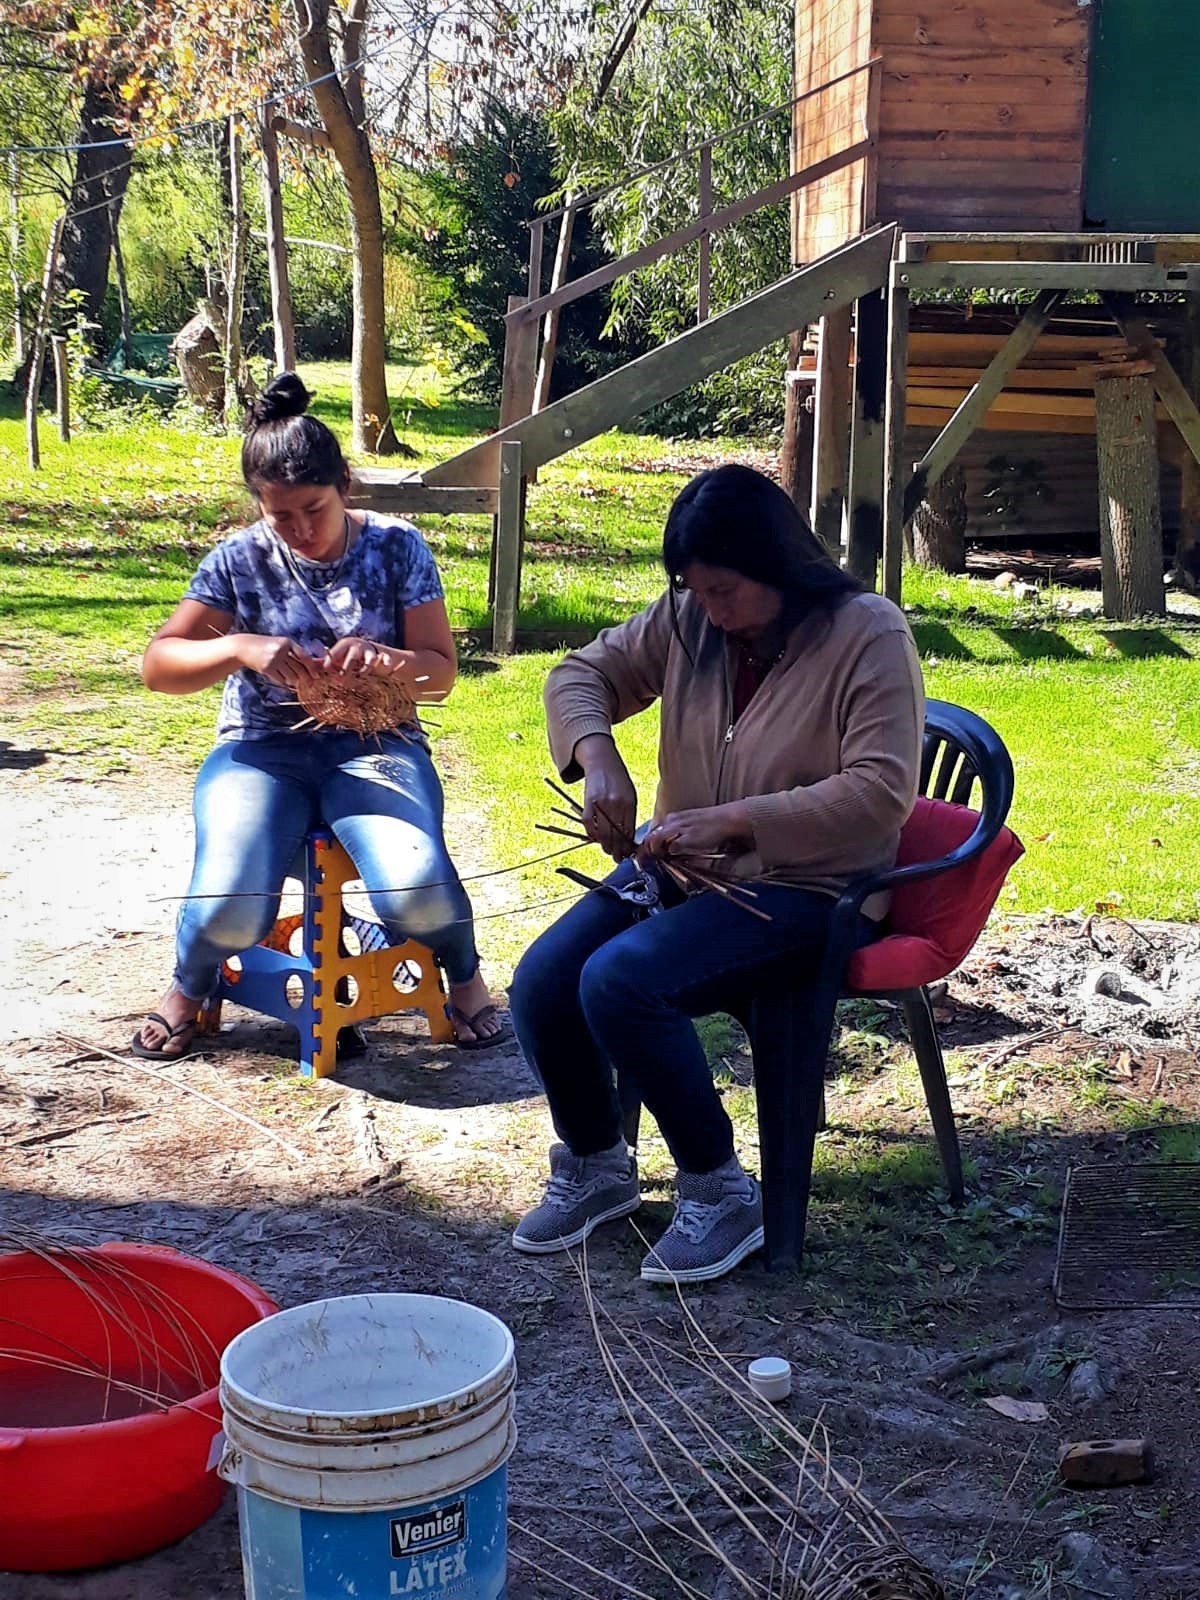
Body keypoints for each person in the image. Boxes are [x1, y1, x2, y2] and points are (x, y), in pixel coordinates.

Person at [508, 463, 924, 1284]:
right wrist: (601, 765)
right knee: (544, 980)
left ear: (778, 566)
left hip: (814, 890)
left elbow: (881, 792)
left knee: (621, 981)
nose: (710, 610)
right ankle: (596, 1166)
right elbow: (580, 674)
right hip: (690, 871)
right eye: (694, 590)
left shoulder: (867, 634)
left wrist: (735, 819)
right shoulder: (692, 621)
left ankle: (721, 1190)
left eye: (726, 590)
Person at [131, 373, 506, 1060]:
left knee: (416, 895)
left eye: (315, 509)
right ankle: (189, 982)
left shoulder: (397, 547)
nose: (301, 530)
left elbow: (442, 676)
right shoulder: (239, 561)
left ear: (347, 486)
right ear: (259, 507)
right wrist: (240, 647)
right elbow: (158, 665)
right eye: (282, 517)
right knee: (230, 909)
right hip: (260, 750)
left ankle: (467, 976)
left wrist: (390, 662)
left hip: (378, 746)